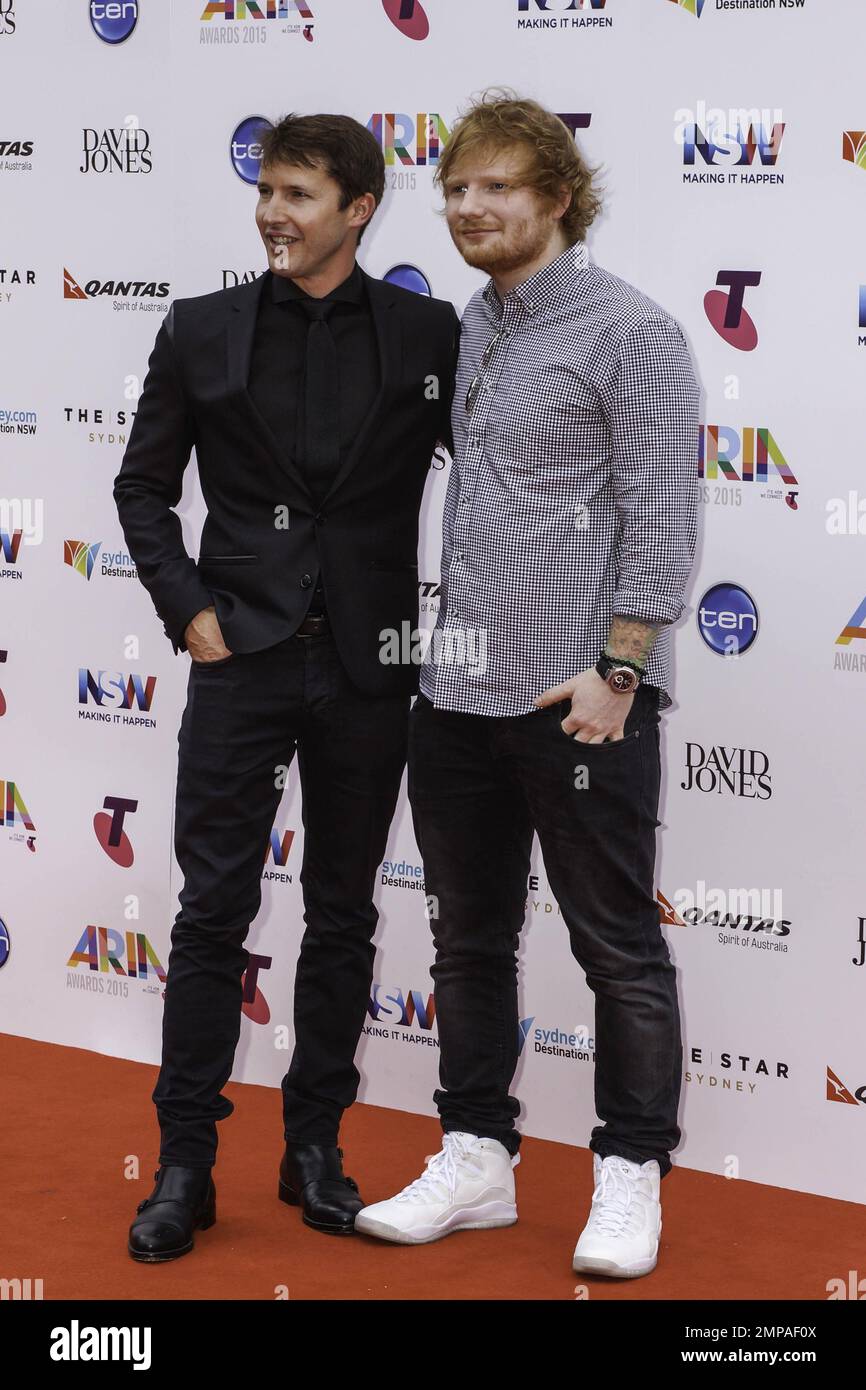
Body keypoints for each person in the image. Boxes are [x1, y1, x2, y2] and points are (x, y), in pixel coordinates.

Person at [354, 91, 701, 1278]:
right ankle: (477, 1158)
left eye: (495, 186)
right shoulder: (470, 325)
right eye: (454, 188)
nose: (467, 206)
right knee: (467, 943)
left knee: (615, 947)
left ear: (556, 196)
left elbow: (662, 517)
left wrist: (619, 669)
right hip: (455, 693)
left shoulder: (630, 331)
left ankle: (628, 1174)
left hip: (577, 691)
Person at [114, 112, 460, 1262]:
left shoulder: (428, 332)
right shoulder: (200, 329)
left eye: (299, 194)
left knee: (343, 913)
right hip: (241, 660)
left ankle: (313, 1148)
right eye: (267, 190)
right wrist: (189, 610)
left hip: (369, 665)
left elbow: (501, 467)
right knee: (211, 911)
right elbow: (142, 489)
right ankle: (183, 1165)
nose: (272, 211)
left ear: (358, 208)